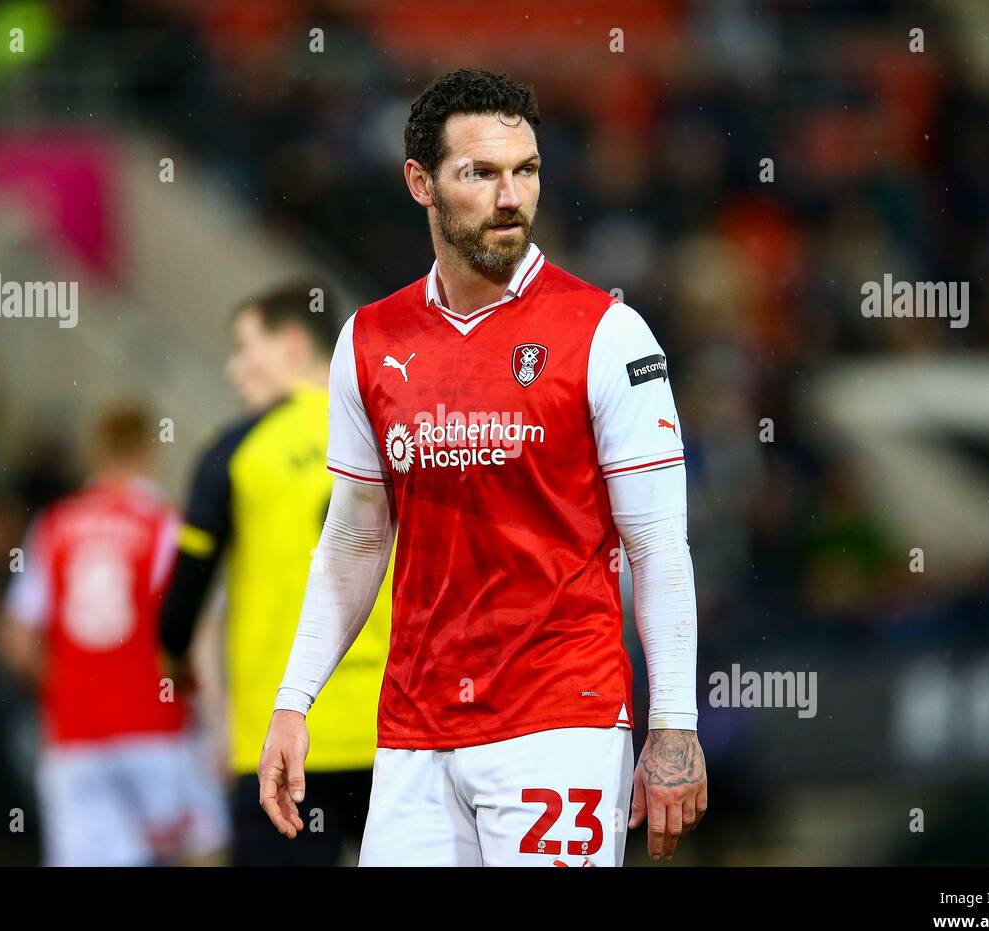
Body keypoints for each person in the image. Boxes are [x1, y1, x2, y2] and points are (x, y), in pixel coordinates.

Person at [259, 68, 707, 867]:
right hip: (413, 732)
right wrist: (294, 702)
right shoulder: (368, 340)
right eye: (481, 174)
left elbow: (659, 546)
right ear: (420, 184)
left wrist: (673, 723)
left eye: (525, 171)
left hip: (557, 723)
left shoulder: (608, 333)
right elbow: (356, 540)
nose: (511, 198)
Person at [159, 283, 392, 866]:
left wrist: (175, 660)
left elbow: (179, 608)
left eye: (245, 348)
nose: (236, 371)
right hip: (398, 736)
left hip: (281, 746)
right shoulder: (398, 432)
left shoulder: (236, 451)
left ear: (291, 344)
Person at [1, 401, 228, 866]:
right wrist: (219, 726)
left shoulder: (53, 527)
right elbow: (199, 633)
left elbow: (16, 641)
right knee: (198, 854)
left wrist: (68, 688)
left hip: (75, 739)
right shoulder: (167, 524)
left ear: (96, 452)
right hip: (157, 731)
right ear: (149, 450)